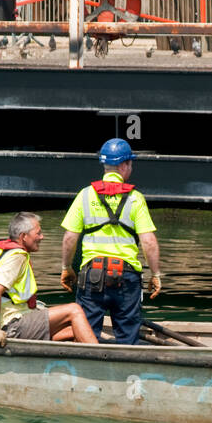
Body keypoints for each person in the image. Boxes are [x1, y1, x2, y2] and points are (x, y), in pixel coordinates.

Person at [59, 138, 162, 345]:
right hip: (127, 277)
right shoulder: (135, 198)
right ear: (124, 165)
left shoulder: (85, 195)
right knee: (127, 337)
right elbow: (149, 241)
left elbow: (70, 237)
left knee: (85, 334)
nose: (131, 168)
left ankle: (88, 370)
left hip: (92, 275)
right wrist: (156, 273)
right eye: (131, 164)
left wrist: (66, 267)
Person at [0, 212, 97, 345]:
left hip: (18, 320)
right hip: (13, 325)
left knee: (76, 331)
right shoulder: (17, 256)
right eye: (38, 233)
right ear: (23, 236)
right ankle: (102, 357)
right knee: (74, 310)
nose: (42, 237)